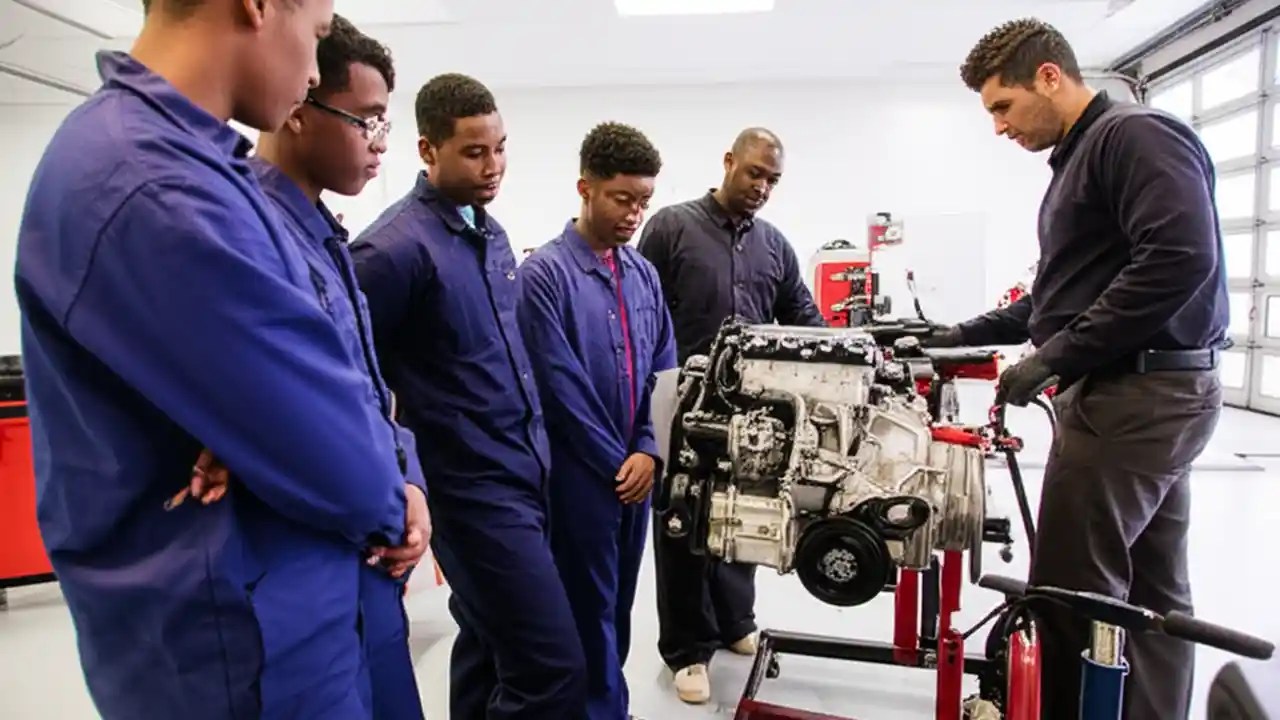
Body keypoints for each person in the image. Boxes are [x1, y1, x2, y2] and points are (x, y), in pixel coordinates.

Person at [13, 0, 431, 718]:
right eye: (318, 33)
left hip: (293, 600)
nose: (310, 69)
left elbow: (334, 397)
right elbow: (325, 441)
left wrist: (285, 433)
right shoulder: (151, 182)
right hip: (237, 640)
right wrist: (371, 478)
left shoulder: (199, 170)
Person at [927, 17, 1227, 720]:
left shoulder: (1133, 137)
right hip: (1153, 394)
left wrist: (1056, 357)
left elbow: (1180, 258)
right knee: (1153, 594)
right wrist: (965, 334)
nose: (1000, 127)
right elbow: (1070, 290)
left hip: (1136, 397)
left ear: (1051, 77)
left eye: (1003, 105)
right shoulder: (1084, 157)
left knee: (1071, 589)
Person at [349, 73, 587, 719]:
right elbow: (349, 378)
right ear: (427, 151)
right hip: (469, 491)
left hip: (524, 473)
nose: (495, 167)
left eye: (501, 148)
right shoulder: (390, 252)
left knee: (487, 648)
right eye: (475, 152)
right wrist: (403, 477)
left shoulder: (490, 232)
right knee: (552, 670)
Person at [246, 14, 425, 720]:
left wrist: (409, 481)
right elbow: (288, 420)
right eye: (367, 121)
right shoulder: (248, 232)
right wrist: (393, 499)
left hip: (369, 557)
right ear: (300, 104)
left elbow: (370, 392)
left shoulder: (323, 235)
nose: (380, 144)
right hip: (302, 567)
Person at [635, 126, 826, 704]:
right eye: (754, 173)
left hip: (757, 415)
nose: (762, 187)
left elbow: (802, 315)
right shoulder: (672, 227)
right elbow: (642, 310)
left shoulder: (774, 244)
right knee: (684, 522)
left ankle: (734, 621)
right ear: (728, 163)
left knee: (743, 518)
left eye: (772, 179)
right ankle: (687, 650)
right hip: (684, 404)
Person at [517, 122, 678, 719]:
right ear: (585, 188)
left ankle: (610, 704)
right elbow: (559, 389)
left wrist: (649, 448)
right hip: (579, 478)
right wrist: (620, 460)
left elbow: (665, 368)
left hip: (637, 473)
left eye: (644, 201)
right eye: (622, 198)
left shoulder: (642, 274)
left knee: (618, 605)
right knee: (585, 605)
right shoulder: (544, 278)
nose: (635, 213)